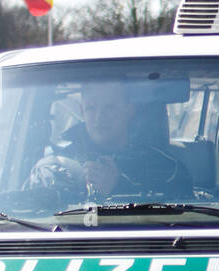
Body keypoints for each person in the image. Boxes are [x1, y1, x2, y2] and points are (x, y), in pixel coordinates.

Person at [32, 80, 192, 200]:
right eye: (91, 108)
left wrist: (119, 187)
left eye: (109, 107)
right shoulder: (57, 163)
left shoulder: (167, 169)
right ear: (82, 111)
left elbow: (179, 223)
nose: (99, 117)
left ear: (130, 110)